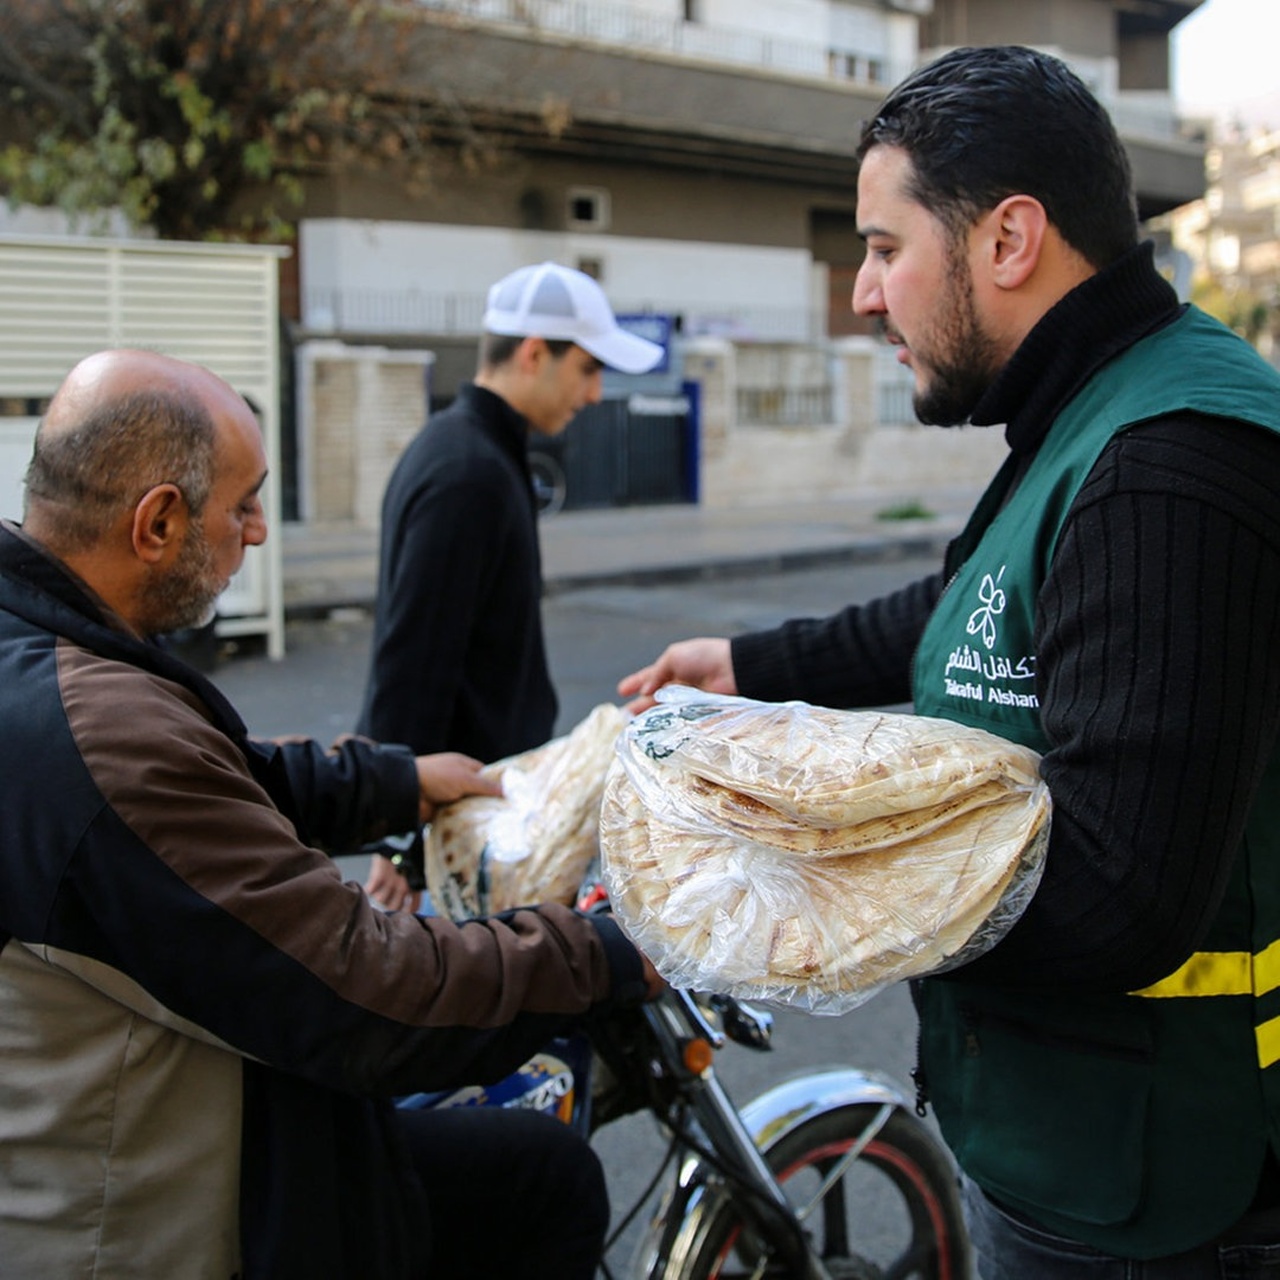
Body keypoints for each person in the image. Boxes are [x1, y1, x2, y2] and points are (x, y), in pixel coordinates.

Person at [619, 45, 1280, 1279]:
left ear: (1007, 240)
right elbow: (987, 606)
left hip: (1150, 1190)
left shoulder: (1167, 461)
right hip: (1071, 1141)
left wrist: (779, 889)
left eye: (881, 247)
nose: (863, 293)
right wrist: (747, 658)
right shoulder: (1094, 413)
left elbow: (1118, 894)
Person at [0, 347, 659, 1280]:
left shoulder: (40, 653)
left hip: (125, 1126)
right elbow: (369, 992)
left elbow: (211, 780)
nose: (259, 531)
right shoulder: (103, 733)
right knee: (541, 1180)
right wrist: (604, 956)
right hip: (155, 1212)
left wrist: (392, 782)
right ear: (157, 522)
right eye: (242, 506)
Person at [355, 261, 663, 910]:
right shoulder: (468, 471)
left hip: (481, 811)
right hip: (463, 831)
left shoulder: (470, 451)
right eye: (586, 368)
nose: (594, 394)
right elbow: (412, 660)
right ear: (532, 354)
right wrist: (397, 841)